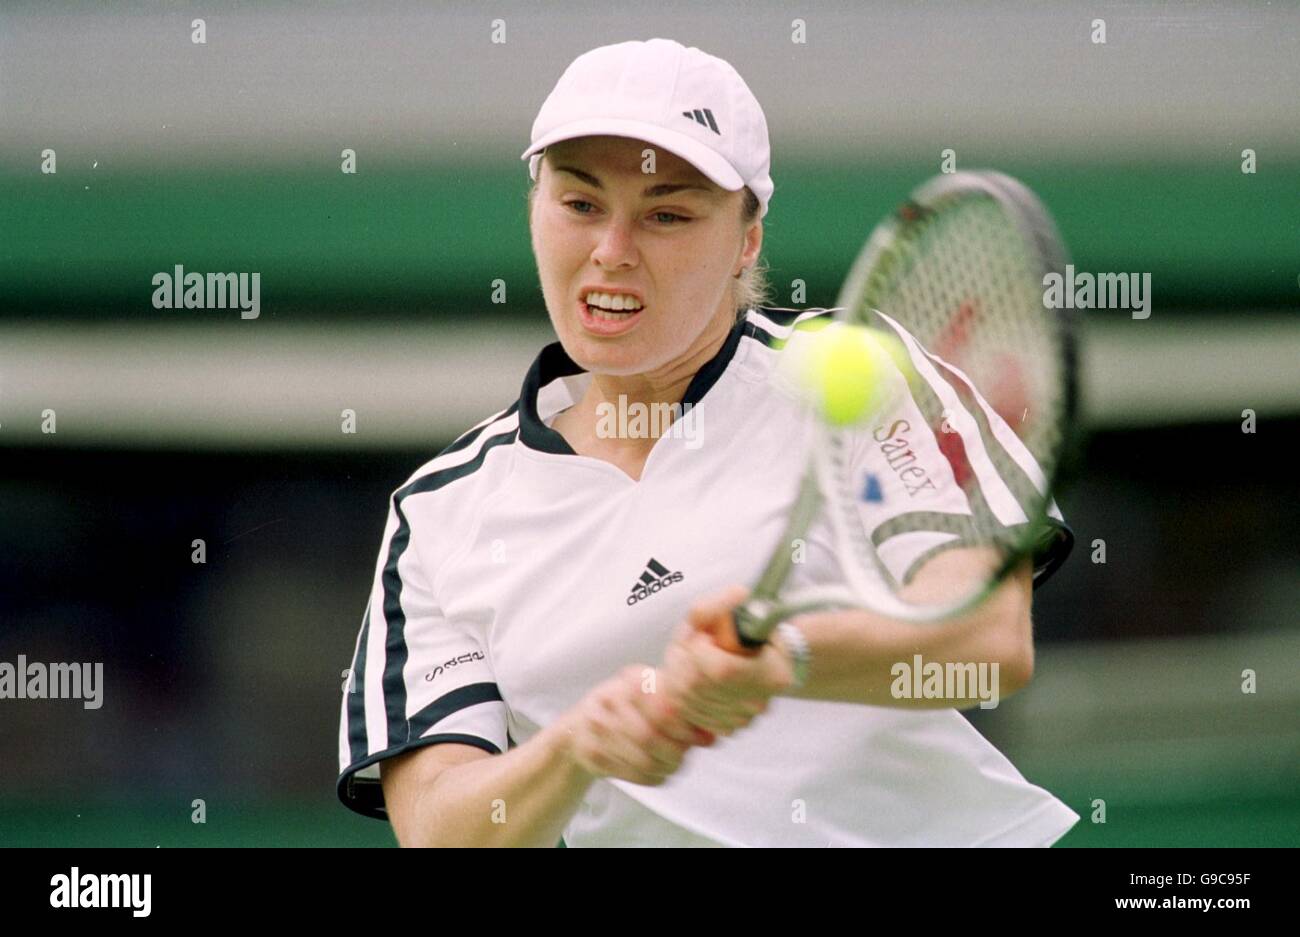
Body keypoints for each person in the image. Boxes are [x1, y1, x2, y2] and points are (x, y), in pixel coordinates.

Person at [337, 37, 1079, 847]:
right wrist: (574, 747)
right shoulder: (440, 514)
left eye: (668, 215)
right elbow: (441, 830)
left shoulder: (862, 372)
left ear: (747, 240)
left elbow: (987, 637)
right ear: (534, 206)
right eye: (580, 204)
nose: (611, 251)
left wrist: (787, 656)